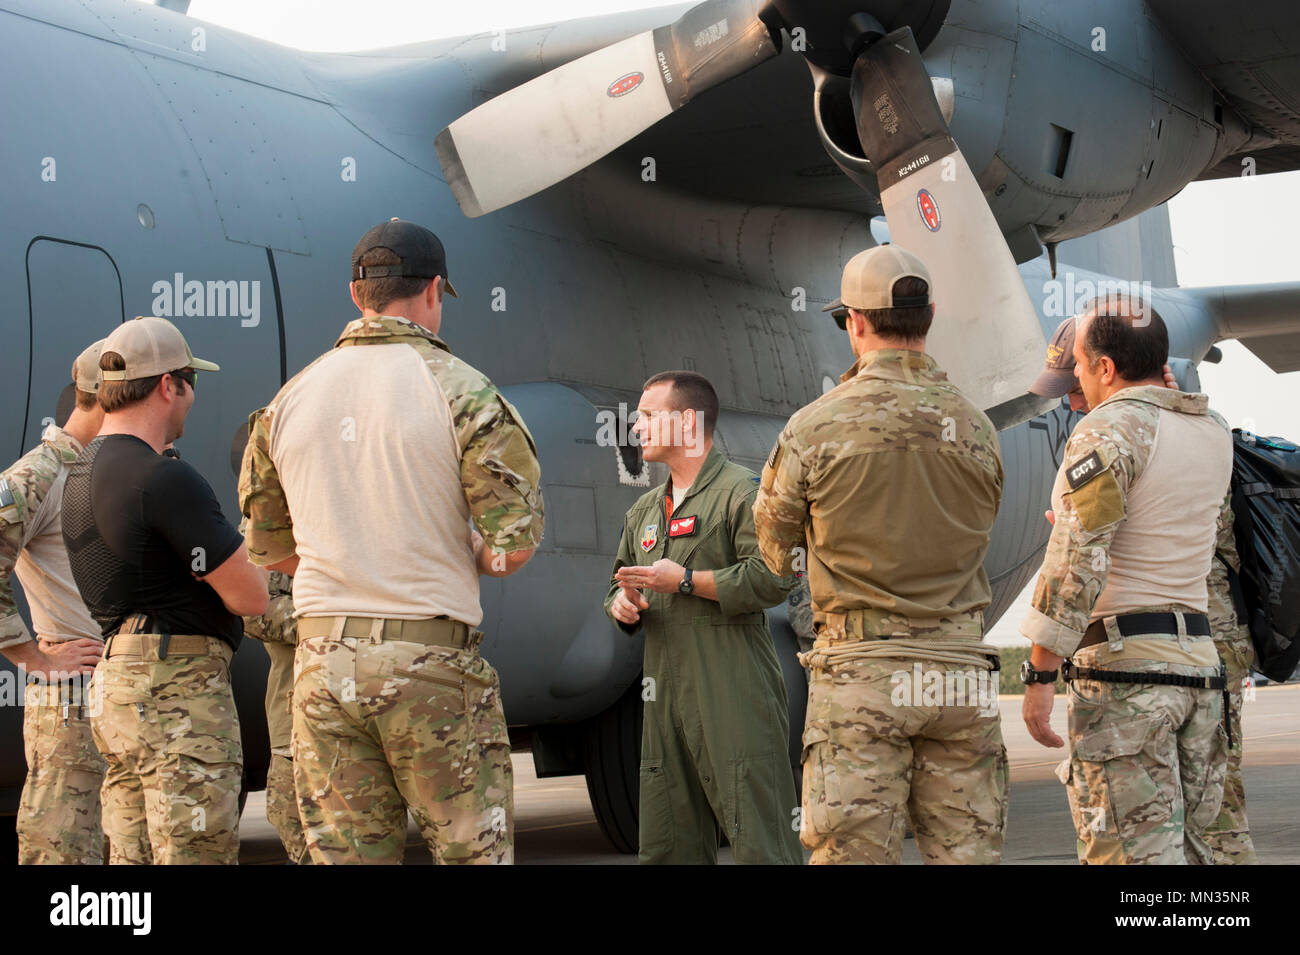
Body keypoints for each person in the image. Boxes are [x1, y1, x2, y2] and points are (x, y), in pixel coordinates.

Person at [239, 218, 544, 865]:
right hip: (430, 665)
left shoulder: (286, 403)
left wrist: (350, 554)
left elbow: (270, 550)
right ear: (434, 291)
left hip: (322, 672)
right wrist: (452, 547)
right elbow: (511, 548)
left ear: (356, 293)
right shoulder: (464, 391)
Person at [753, 245, 1007, 865]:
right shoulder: (976, 426)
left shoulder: (815, 426)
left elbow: (772, 546)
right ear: (930, 316)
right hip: (960, 676)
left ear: (856, 323)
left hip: (863, 676)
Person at [1029, 310, 1255, 864]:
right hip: (1199, 669)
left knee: (1132, 862)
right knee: (1213, 856)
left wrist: (1038, 672)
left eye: (1080, 369)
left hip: (1126, 676)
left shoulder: (1107, 430)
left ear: (1105, 367)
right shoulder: (1213, 430)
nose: (1077, 385)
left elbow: (1077, 555)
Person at [62, 316, 269, 865]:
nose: (191, 399)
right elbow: (251, 597)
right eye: (190, 383)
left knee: (132, 865)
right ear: (167, 385)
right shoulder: (164, 478)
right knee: (194, 850)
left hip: (119, 688)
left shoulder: (78, 477)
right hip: (178, 694)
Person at [604, 371, 801, 865]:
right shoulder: (644, 511)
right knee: (668, 845)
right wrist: (621, 604)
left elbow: (774, 578)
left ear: (689, 422)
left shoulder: (743, 493)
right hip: (664, 698)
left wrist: (688, 581)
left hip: (733, 691)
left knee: (762, 842)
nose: (637, 428)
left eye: (649, 416)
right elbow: (619, 583)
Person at [0, 341, 113, 864]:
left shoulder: (111, 468)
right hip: (71, 697)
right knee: (63, 853)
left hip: (120, 693)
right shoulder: (39, 475)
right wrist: (34, 659)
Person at [239, 508, 308, 864]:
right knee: (296, 820)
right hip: (297, 712)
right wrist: (327, 622)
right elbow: (251, 608)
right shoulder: (270, 515)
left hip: (381, 708)